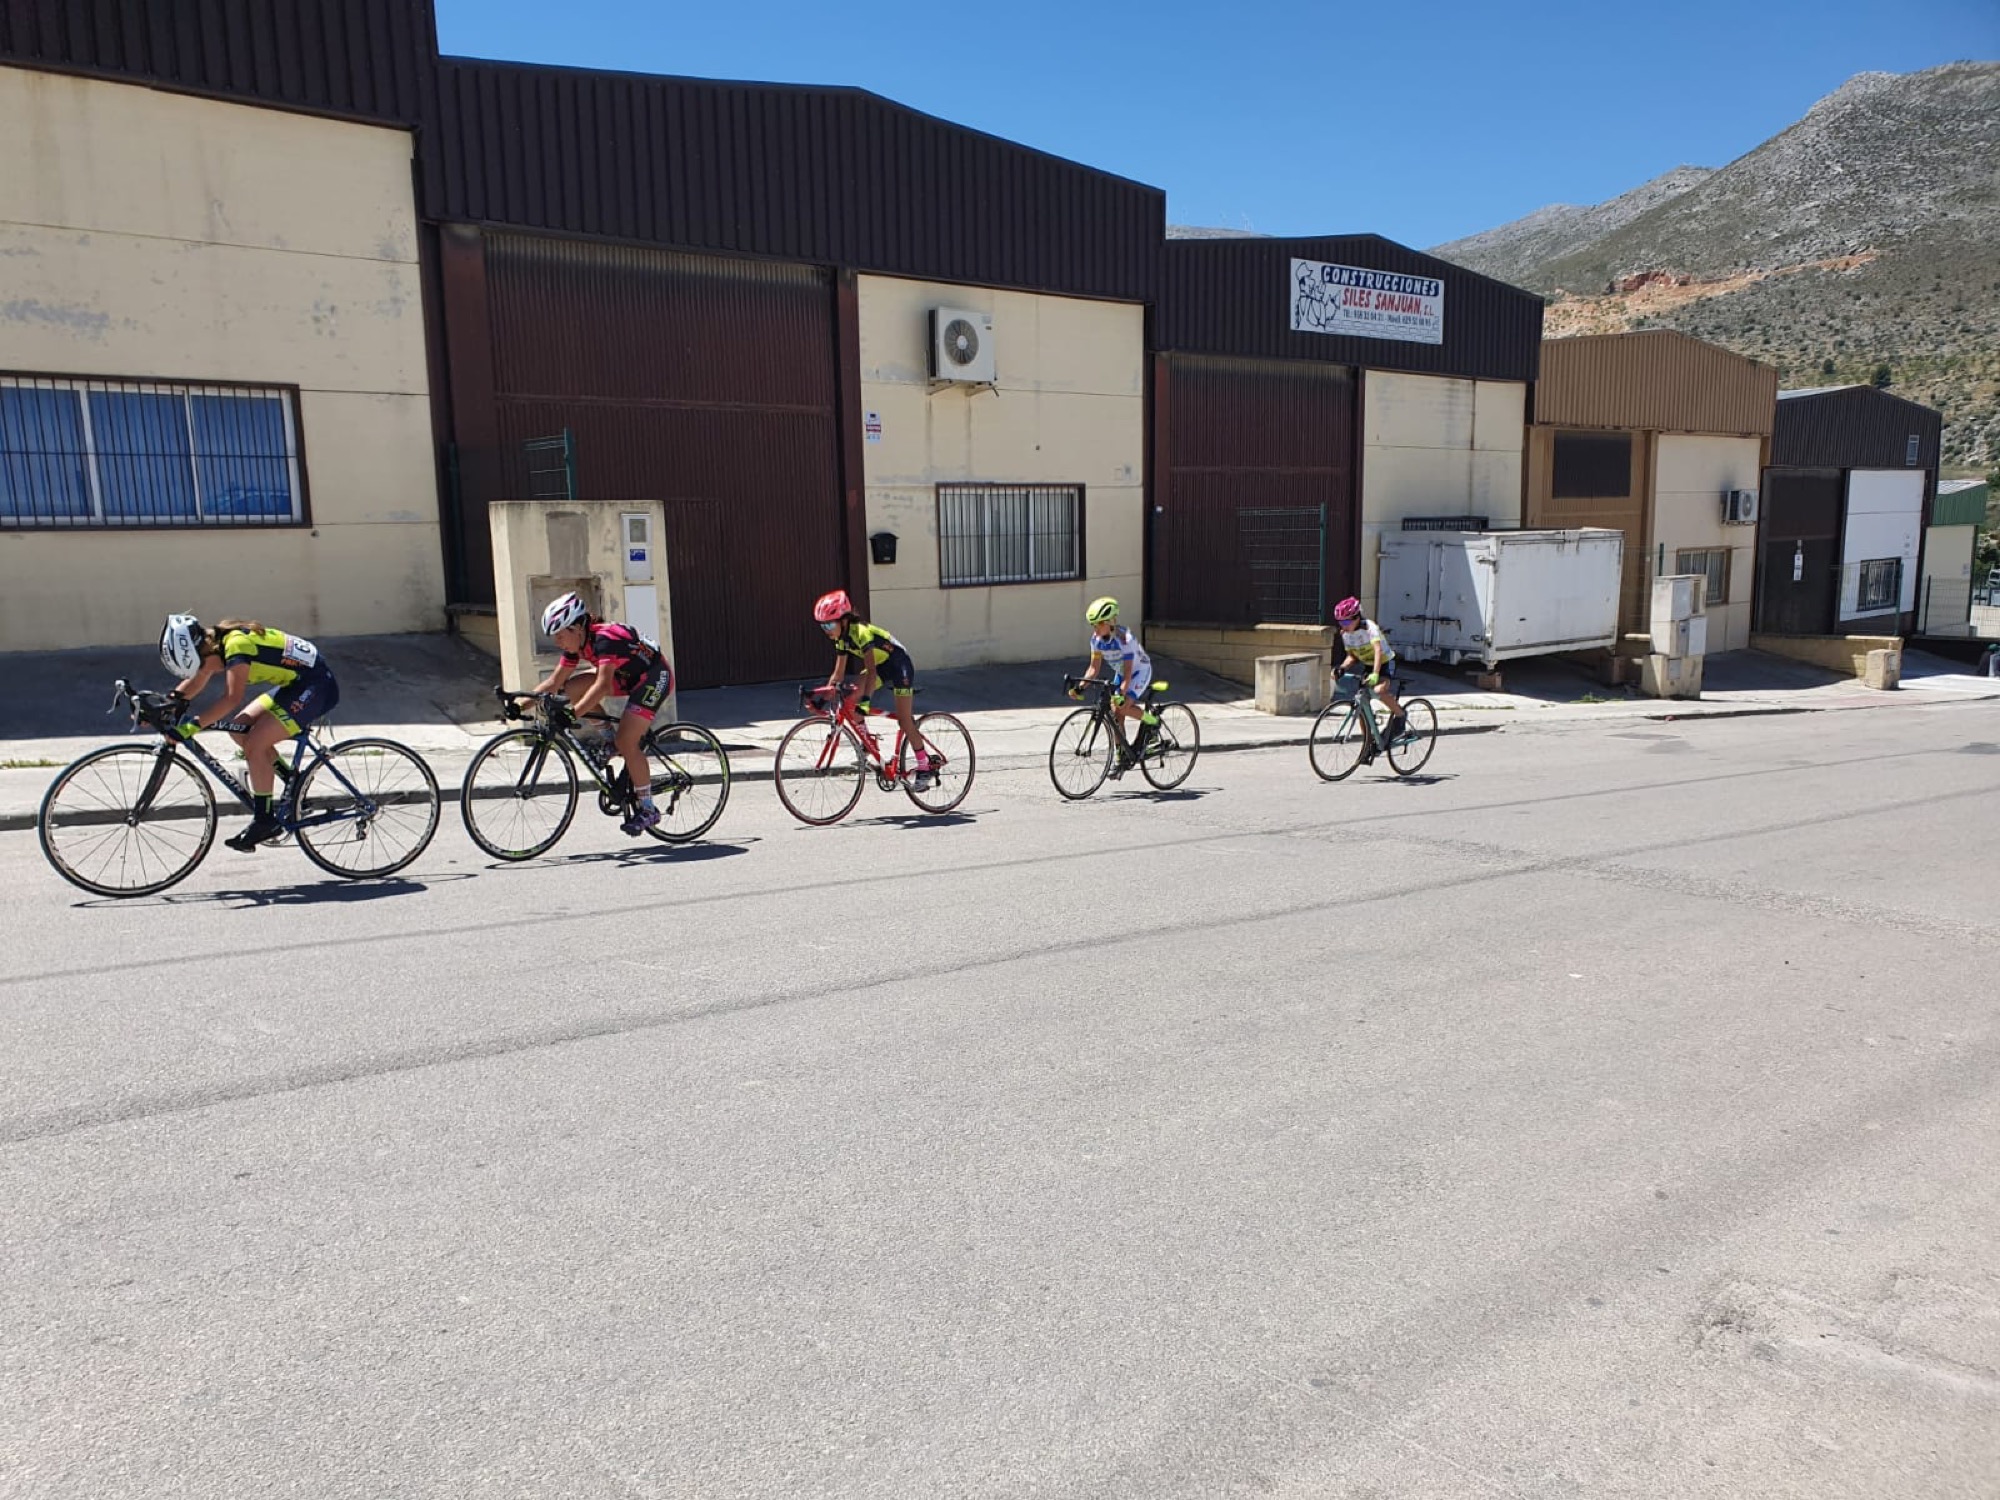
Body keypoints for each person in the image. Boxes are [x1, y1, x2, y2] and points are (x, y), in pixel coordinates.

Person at [159, 613, 340, 852]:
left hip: (316, 686)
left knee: (256, 744)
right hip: (295, 684)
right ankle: (291, 780)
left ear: (202, 652)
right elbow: (199, 678)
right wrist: (166, 703)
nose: (202, 671)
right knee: (240, 730)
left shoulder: (236, 646)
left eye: (200, 665)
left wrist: (190, 727)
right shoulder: (216, 645)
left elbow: (231, 698)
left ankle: (265, 820)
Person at [523, 591, 672, 835]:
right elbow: (553, 682)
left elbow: (602, 686)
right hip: (627, 677)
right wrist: (519, 704)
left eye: (560, 635)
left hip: (653, 678)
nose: (557, 642)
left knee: (627, 742)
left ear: (577, 628)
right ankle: (611, 742)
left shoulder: (606, 639)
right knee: (571, 688)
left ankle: (648, 809)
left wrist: (572, 714)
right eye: (554, 637)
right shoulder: (578, 644)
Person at [812, 589, 934, 789]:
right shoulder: (841, 638)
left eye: (829, 624)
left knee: (904, 719)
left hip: (898, 665)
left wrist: (866, 701)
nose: (826, 630)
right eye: (822, 626)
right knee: (850, 699)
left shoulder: (862, 633)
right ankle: (870, 745)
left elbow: (871, 671)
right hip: (879, 667)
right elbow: (838, 674)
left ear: (843, 620)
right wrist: (820, 697)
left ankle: (925, 764)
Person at [1070, 596, 1157, 774]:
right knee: (1115, 714)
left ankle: (1153, 722)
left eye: (1098, 624)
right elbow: (1093, 669)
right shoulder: (1096, 640)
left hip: (1139, 672)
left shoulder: (1125, 639)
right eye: (1093, 625)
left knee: (1122, 707)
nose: (1095, 628)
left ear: (1110, 622)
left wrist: (1121, 694)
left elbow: (1127, 674)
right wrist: (1080, 687)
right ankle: (1121, 754)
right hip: (1122, 673)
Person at [1333, 596, 1404, 761]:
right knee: (1361, 705)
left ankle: (1400, 716)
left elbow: (1378, 651)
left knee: (1379, 690)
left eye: (1345, 622)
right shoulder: (1346, 634)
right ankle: (1368, 743)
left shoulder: (1370, 627)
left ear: (1356, 618)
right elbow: (1352, 656)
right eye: (1339, 622)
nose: (1342, 626)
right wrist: (1342, 668)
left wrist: (1376, 674)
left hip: (1385, 662)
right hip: (1367, 664)